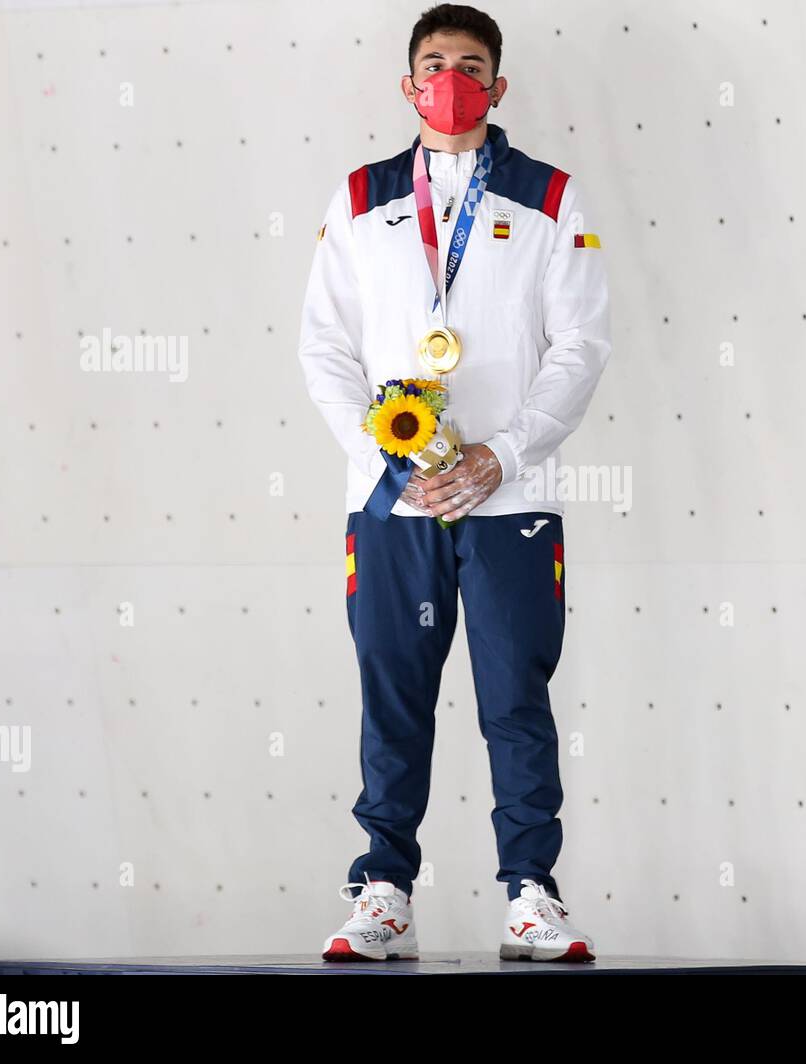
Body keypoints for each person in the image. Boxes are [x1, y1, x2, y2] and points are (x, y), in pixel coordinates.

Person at [296, 3, 611, 962]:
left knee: (514, 694)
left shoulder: (549, 195)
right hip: (390, 502)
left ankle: (530, 895)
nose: (451, 78)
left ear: (498, 85)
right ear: (407, 85)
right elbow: (324, 346)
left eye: (470, 64)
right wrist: (389, 458)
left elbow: (581, 347)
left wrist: (499, 455)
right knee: (392, 691)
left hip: (509, 499)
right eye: (433, 63)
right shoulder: (360, 197)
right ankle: (384, 891)